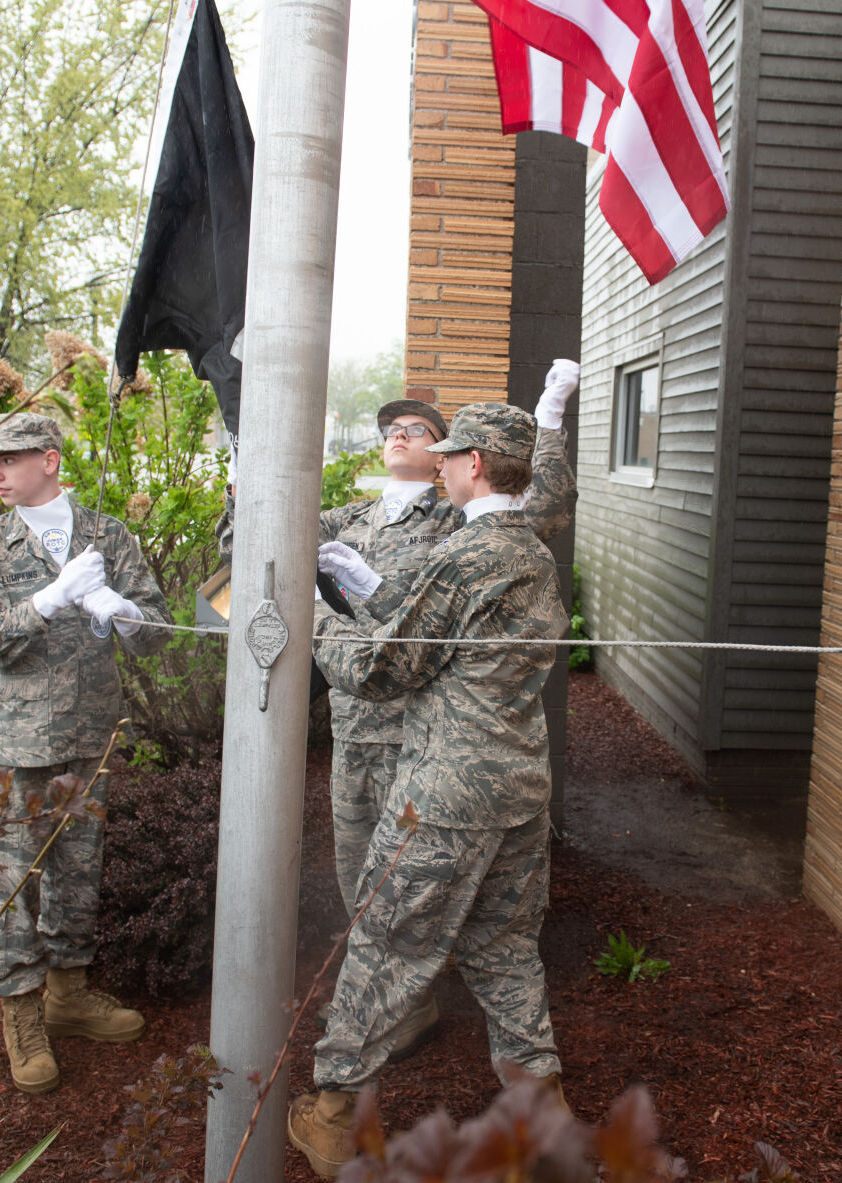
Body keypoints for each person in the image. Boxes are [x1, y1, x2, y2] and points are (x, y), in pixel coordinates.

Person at [221, 362, 577, 1053]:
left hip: (426, 744)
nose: (401, 437)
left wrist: (552, 420)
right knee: (367, 878)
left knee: (400, 914)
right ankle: (417, 1018)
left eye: (422, 433)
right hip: (363, 728)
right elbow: (250, 549)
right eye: (391, 429)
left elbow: (542, 512)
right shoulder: (349, 517)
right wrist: (246, 475)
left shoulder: (460, 525)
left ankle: (349, 1072)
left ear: (459, 458)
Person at [287, 402, 571, 1178]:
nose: (438, 464)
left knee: (384, 949)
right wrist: (366, 587)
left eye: (448, 455)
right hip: (516, 793)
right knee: (504, 949)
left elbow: (382, 671)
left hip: (442, 800)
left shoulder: (466, 554)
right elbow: (445, 637)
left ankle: (332, 1113)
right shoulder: (529, 555)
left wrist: (312, 614)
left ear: (474, 463)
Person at [0, 411, 170, 1095]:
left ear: (48, 459)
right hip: (14, 743)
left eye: (8, 458)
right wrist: (48, 599)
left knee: (78, 871)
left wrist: (119, 608)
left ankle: (67, 995)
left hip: (88, 734)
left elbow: (156, 632)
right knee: (13, 882)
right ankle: (20, 1010)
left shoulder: (107, 535)